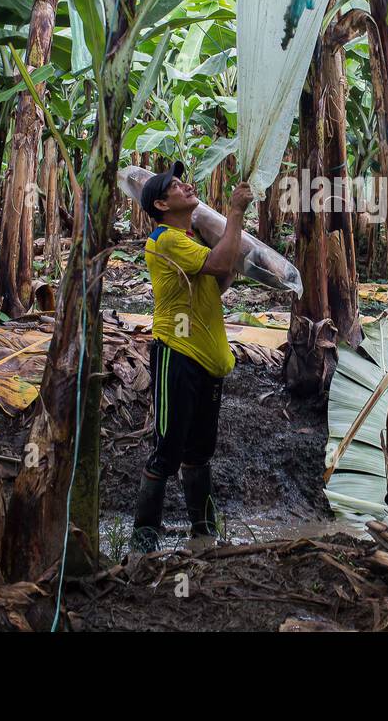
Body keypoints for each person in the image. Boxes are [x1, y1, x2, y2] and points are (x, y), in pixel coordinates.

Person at [130, 162, 254, 552]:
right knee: (167, 451)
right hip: (177, 355)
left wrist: (225, 239)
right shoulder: (164, 240)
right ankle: (143, 541)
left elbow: (217, 281)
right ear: (162, 204)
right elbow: (219, 262)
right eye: (175, 185)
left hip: (206, 360)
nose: (185, 185)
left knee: (199, 454)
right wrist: (234, 213)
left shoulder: (191, 241)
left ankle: (203, 536)